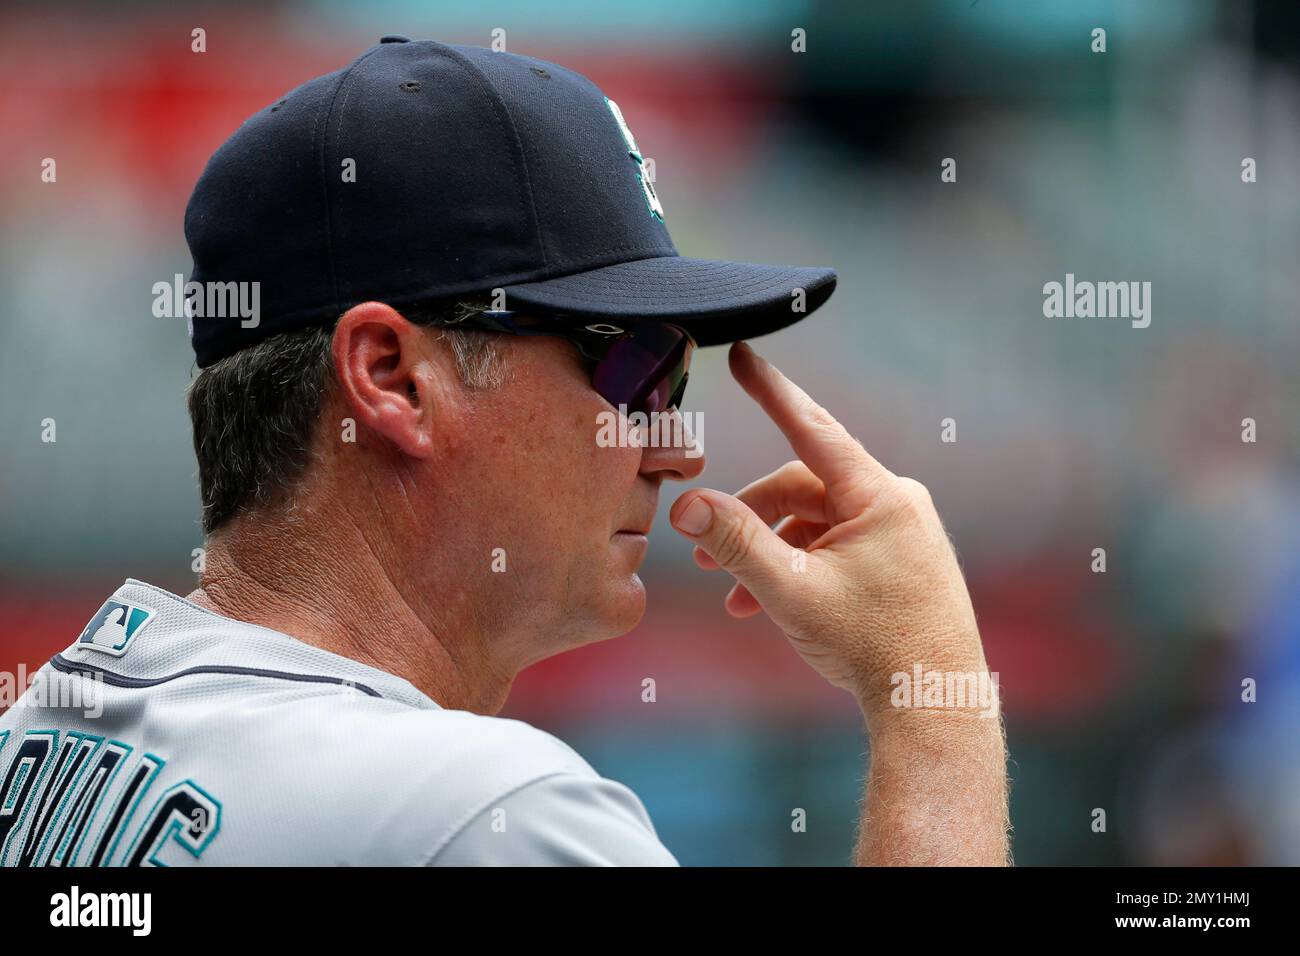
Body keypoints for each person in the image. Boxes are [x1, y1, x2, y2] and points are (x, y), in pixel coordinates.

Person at [0, 37, 1007, 866]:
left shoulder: (30, 740)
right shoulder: (488, 814)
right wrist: (929, 693)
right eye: (634, 367)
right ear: (393, 378)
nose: (674, 450)